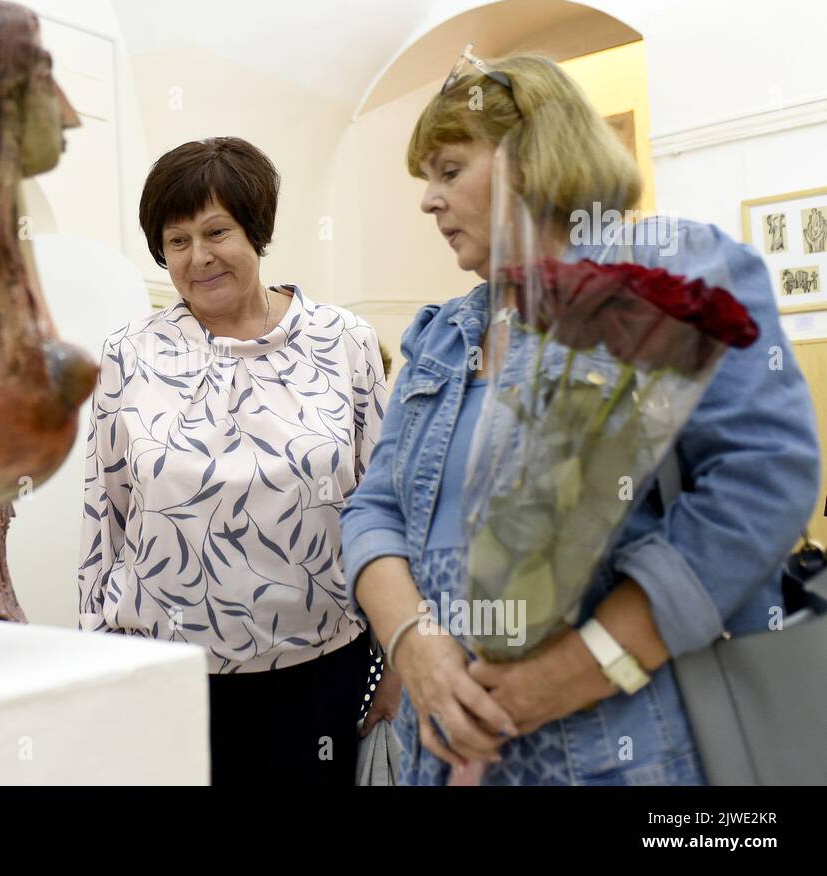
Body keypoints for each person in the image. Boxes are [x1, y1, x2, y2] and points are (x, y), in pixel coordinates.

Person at [341, 48, 820, 785]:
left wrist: (583, 666)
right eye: (424, 179)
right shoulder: (440, 335)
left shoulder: (673, 276)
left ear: (529, 161)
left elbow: (765, 481)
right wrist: (415, 647)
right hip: (440, 753)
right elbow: (372, 508)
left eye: (449, 170)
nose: (427, 201)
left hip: (624, 749)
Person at [79, 137, 390, 785]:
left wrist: (399, 665)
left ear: (257, 228)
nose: (199, 256)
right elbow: (103, 520)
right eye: (177, 241)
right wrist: (96, 666)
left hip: (321, 672)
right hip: (168, 676)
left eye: (216, 231)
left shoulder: (344, 341)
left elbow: (386, 508)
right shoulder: (129, 354)